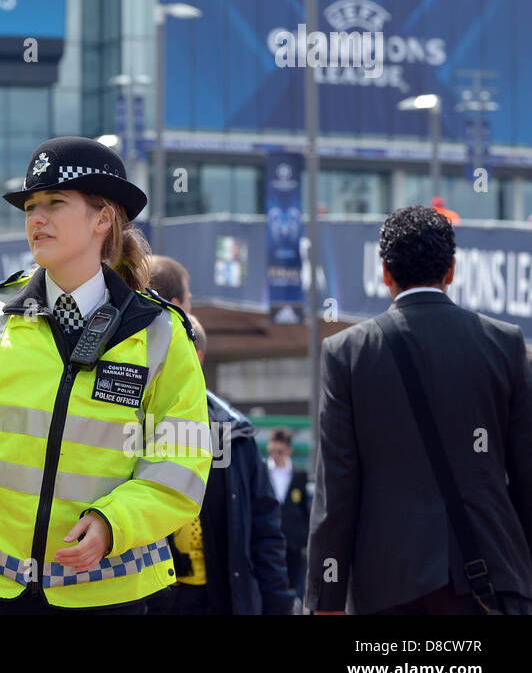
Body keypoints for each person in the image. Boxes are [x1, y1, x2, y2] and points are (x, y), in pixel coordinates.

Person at [0, 137, 210, 614]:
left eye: (55, 203)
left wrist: (113, 523)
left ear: (103, 218)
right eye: (31, 205)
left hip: (110, 595)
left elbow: (183, 457)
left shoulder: (160, 333)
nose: (36, 217)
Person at [308, 205, 532, 615]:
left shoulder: (347, 353)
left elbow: (336, 493)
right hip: (489, 580)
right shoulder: (506, 344)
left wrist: (326, 598)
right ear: (452, 270)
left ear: (385, 273)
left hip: (388, 584)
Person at [162, 311, 295, 615]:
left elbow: (265, 529)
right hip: (158, 601)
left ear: (195, 357)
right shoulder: (136, 426)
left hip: (222, 599)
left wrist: (278, 603)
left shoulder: (235, 433)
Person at [267, 426, 310, 601]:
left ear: (288, 450)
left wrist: (305, 537)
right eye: (272, 451)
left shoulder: (299, 474)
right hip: (269, 537)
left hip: (293, 539)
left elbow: (304, 508)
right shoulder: (263, 471)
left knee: (293, 585)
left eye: (280, 451)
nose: (275, 455)